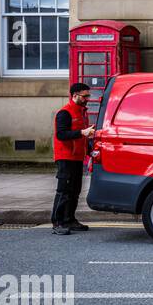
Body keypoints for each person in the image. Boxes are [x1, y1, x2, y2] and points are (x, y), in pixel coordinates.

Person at [52, 82, 94, 236]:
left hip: (77, 157)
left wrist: (90, 150)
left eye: (88, 95)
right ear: (75, 95)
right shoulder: (65, 113)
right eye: (85, 96)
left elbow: (82, 137)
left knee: (75, 191)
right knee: (64, 191)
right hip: (65, 157)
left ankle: (69, 219)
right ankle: (57, 222)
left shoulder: (82, 112)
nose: (87, 98)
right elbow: (61, 135)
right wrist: (82, 133)